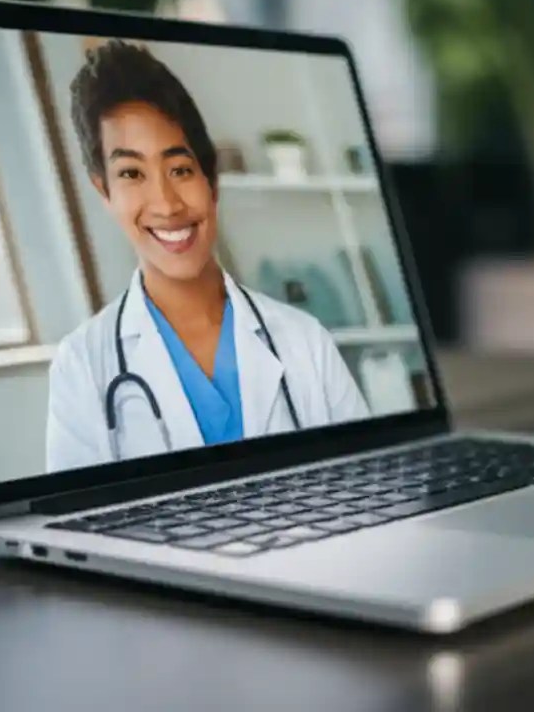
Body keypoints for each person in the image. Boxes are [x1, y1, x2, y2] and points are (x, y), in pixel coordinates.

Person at [46, 40, 369, 472]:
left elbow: (370, 480)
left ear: (211, 179)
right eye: (131, 174)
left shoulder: (304, 340)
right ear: (104, 192)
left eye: (180, 169)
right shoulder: (82, 364)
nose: (166, 203)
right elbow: (77, 531)